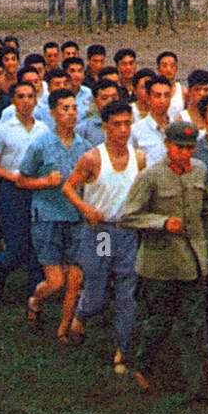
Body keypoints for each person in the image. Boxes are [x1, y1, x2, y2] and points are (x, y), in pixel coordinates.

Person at [119, 120, 208, 401]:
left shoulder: (199, 170)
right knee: (159, 322)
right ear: (167, 146)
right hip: (160, 264)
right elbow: (128, 216)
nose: (185, 153)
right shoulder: (151, 176)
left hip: (192, 262)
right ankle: (143, 366)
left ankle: (194, 388)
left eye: (190, 148)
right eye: (179, 148)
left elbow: (204, 208)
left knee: (193, 325)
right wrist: (161, 222)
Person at [61, 98, 144, 371]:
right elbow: (68, 188)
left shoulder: (139, 158)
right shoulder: (92, 158)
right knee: (98, 296)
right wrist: (86, 209)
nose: (123, 130)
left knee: (126, 293)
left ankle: (122, 350)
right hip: (102, 234)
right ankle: (82, 313)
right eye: (117, 124)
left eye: (127, 124)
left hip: (128, 233)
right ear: (106, 127)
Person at [18, 87, 86, 338]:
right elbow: (22, 180)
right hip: (47, 217)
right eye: (65, 109)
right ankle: (35, 300)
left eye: (74, 108)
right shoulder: (41, 144)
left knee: (75, 279)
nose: (70, 114)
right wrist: (46, 182)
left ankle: (65, 328)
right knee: (56, 281)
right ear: (54, 113)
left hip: (76, 218)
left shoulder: (84, 146)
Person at [0, 79, 49, 301]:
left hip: (37, 190)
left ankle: (34, 294)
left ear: (35, 100)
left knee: (37, 245)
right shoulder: (3, 130)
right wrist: (11, 176)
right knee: (18, 246)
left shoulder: (43, 129)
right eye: (20, 97)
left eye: (30, 97)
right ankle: (1, 268)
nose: (25, 102)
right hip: (12, 191)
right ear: (13, 101)